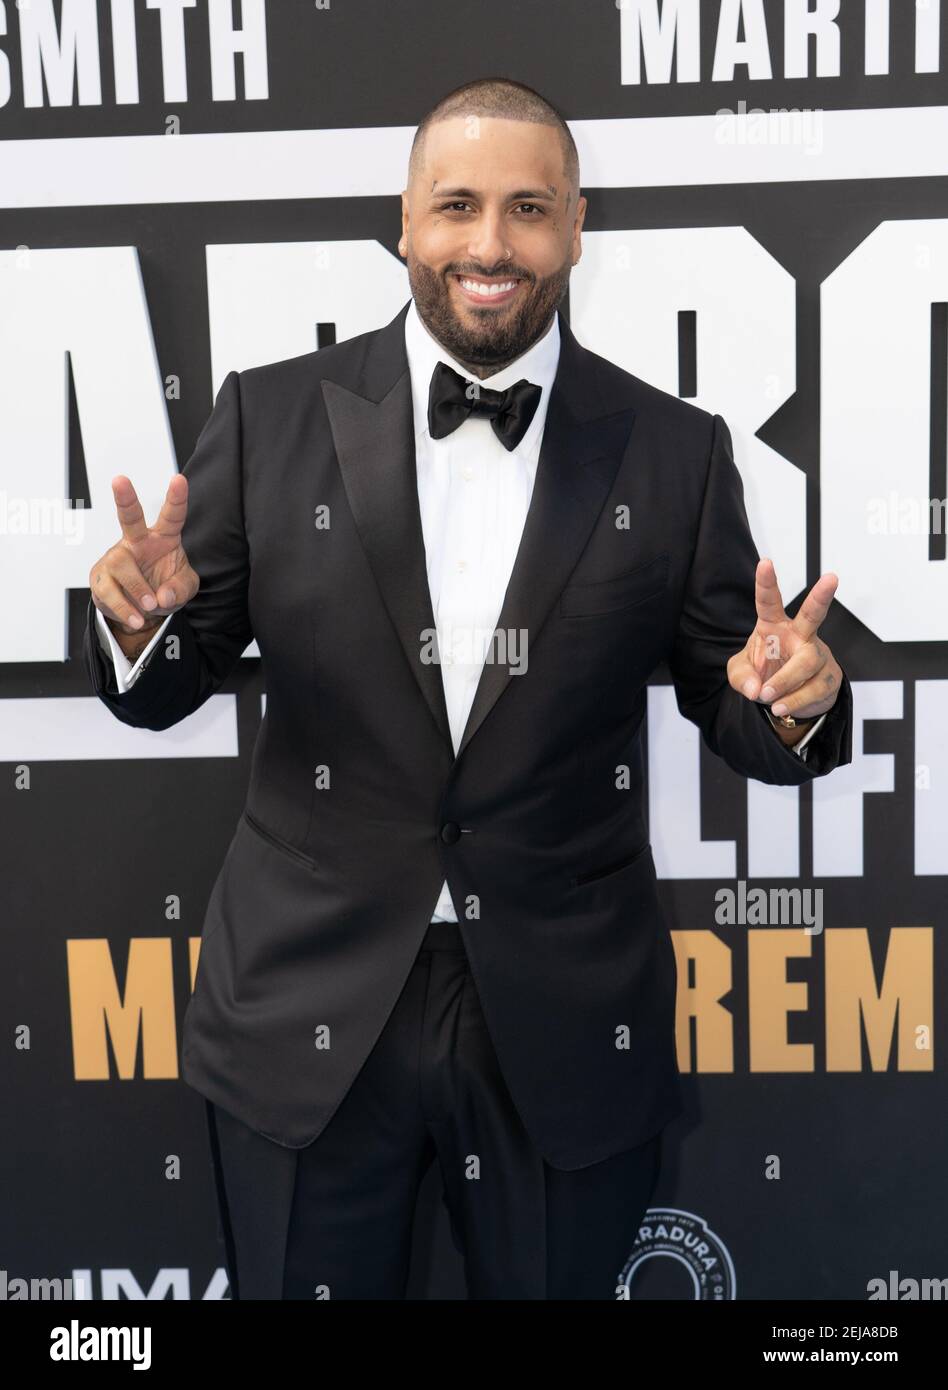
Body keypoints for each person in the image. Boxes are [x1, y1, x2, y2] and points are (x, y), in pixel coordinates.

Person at [86, 78, 853, 1300]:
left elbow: (735, 697)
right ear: (405, 222)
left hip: (560, 1018)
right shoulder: (269, 421)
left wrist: (790, 701)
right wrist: (141, 628)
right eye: (457, 206)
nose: (490, 244)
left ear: (577, 228)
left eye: (528, 208)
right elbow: (161, 689)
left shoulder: (673, 451)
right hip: (310, 1014)